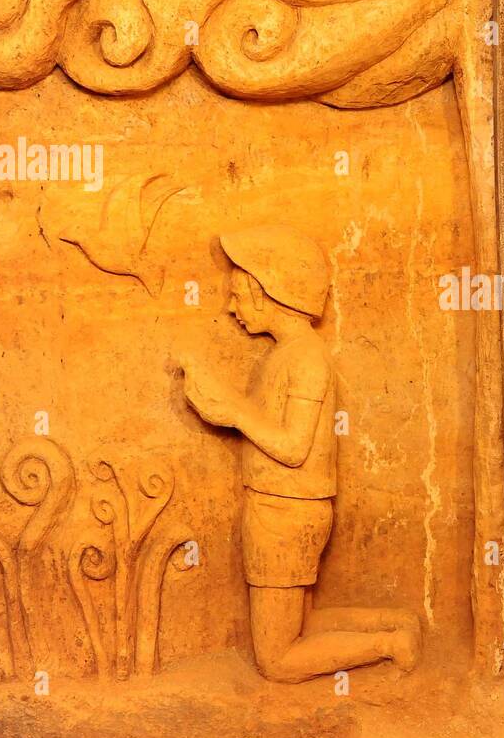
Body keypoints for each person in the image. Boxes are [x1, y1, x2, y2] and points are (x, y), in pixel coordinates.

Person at [178, 224, 420, 682]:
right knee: (301, 626)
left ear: (268, 290)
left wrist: (231, 412)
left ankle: (390, 644)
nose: (231, 307)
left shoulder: (306, 359)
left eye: (238, 295)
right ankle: (395, 623)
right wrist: (221, 401)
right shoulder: (292, 354)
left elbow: (292, 447)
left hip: (285, 513)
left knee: (277, 660)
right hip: (282, 509)